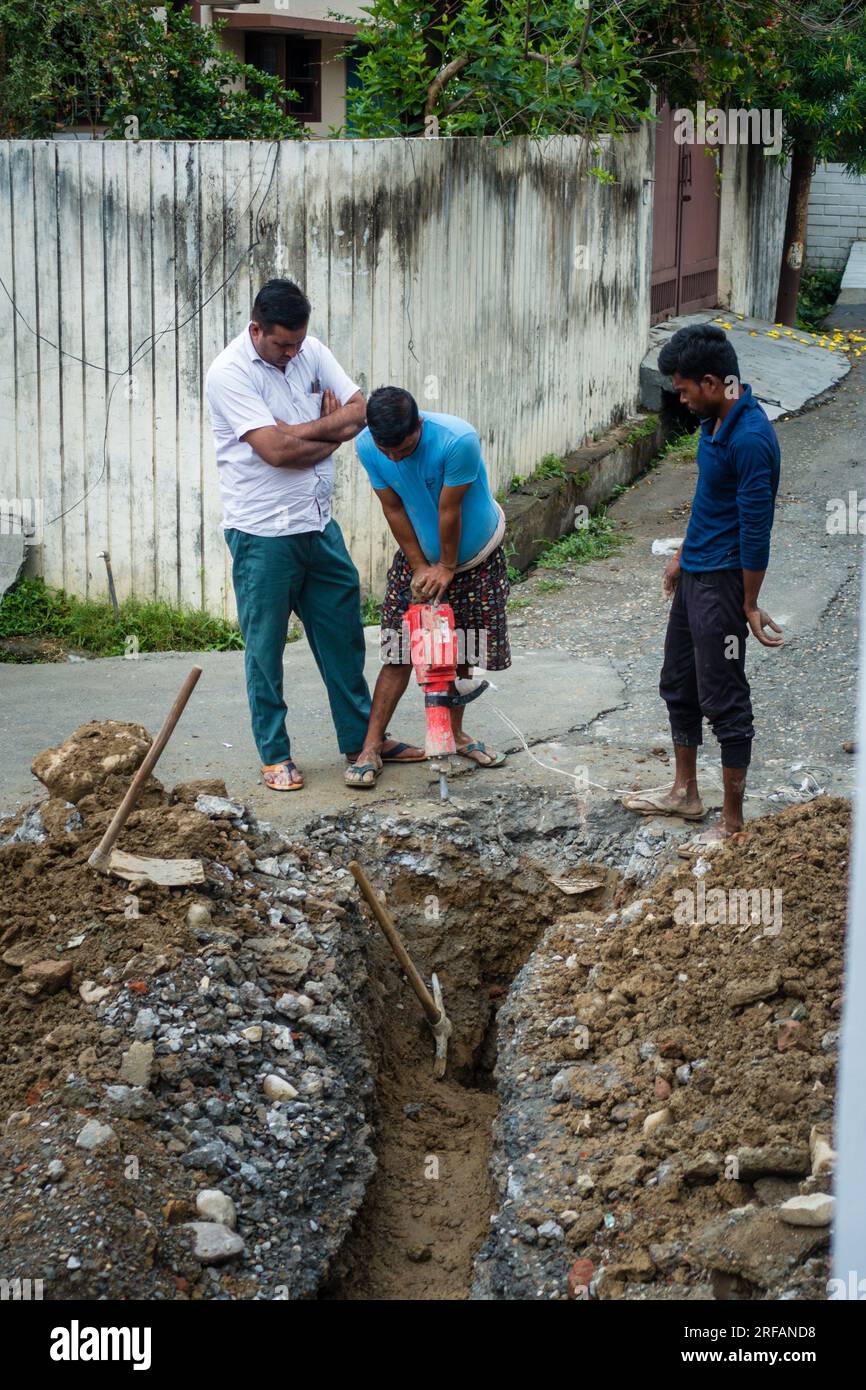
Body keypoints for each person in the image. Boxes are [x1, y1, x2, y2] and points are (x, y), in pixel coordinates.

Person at [205, 280, 422, 791]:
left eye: (298, 344)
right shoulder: (228, 373)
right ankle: (275, 754)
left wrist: (296, 429)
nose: (292, 353)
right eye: (282, 345)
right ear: (256, 329)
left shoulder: (310, 349)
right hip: (262, 533)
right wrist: (328, 431)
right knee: (265, 649)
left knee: (343, 638)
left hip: (319, 524)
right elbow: (275, 455)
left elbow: (359, 411)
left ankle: (363, 740)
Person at [622, 323, 783, 852]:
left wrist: (750, 603)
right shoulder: (714, 423)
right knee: (678, 681)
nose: (681, 397)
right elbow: (709, 502)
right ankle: (685, 791)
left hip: (723, 583)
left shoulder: (753, 439)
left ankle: (732, 820)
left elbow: (756, 531)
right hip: (696, 573)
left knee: (724, 696)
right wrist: (681, 560)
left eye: (685, 388)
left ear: (712, 382)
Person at [346, 386, 511, 787]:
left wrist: (447, 566)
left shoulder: (457, 442)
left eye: (402, 448)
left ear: (418, 426)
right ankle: (371, 746)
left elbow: (448, 507)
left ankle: (455, 734)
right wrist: (421, 565)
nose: (395, 457)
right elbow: (393, 506)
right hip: (417, 557)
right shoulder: (370, 446)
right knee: (399, 650)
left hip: (473, 559)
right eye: (387, 451)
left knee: (461, 649)